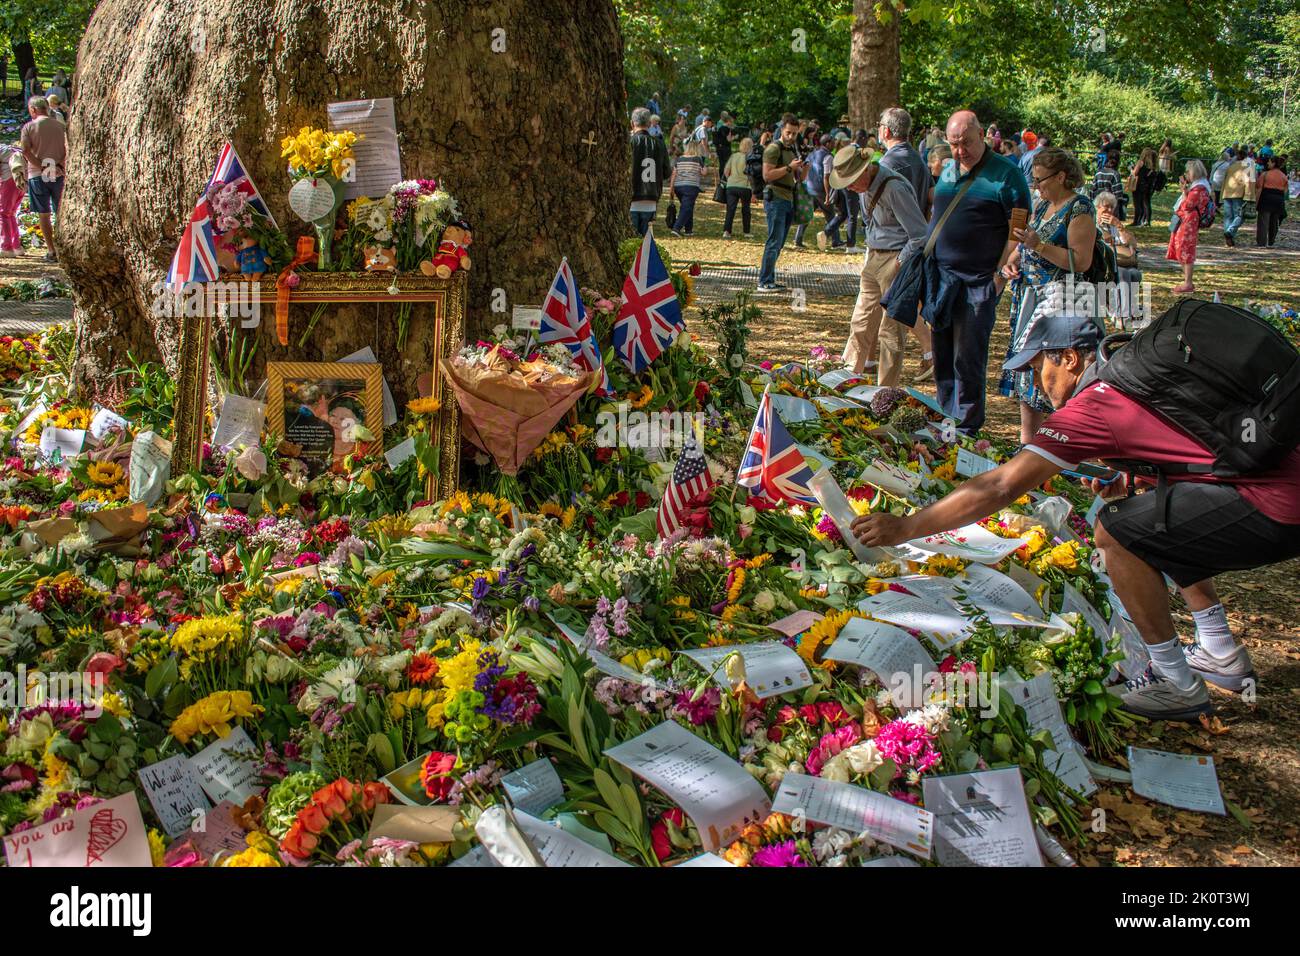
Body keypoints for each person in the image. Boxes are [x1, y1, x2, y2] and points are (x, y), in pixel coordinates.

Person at [853, 309, 1296, 719]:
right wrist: (1137, 475)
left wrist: (908, 526)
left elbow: (1000, 485)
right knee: (1149, 515)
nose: (1035, 384)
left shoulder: (1095, 406)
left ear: (1068, 359)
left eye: (1037, 369)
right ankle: (1220, 650)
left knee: (1116, 533)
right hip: (1279, 478)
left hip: (1275, 505)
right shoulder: (1136, 371)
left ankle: (1175, 682)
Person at [924, 110, 1031, 434]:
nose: (960, 151)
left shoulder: (1006, 174)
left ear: (981, 134)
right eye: (954, 144)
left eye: (966, 143)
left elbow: (1019, 227)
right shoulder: (947, 170)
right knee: (942, 351)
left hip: (979, 281)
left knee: (968, 356)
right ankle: (946, 416)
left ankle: (967, 425)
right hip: (942, 278)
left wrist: (1000, 274)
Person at [998, 147, 1096, 444]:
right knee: (1029, 373)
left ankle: (1061, 445)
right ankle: (1029, 445)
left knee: (1058, 374)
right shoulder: (1042, 206)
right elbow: (1022, 245)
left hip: (1061, 303)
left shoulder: (1079, 209)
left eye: (1041, 179)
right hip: (1029, 299)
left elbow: (1081, 261)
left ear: (1062, 177)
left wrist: (1039, 246)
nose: (1036, 185)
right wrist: (1011, 262)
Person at [829, 143, 927, 385]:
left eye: (851, 181)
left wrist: (898, 262)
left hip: (895, 261)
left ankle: (885, 392)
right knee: (860, 323)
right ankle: (848, 381)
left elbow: (920, 235)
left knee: (891, 332)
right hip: (873, 257)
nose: (850, 188)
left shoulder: (894, 188)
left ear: (865, 170)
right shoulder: (864, 188)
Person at [757, 114, 808, 293]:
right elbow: (767, 175)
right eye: (788, 133)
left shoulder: (791, 150)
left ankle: (769, 278)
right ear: (782, 130)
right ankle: (764, 280)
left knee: (779, 242)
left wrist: (805, 166)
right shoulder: (773, 149)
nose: (791, 137)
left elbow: (799, 178)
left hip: (788, 198)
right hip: (775, 198)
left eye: (794, 134)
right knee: (773, 241)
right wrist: (789, 168)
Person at [19, 96, 67, 263]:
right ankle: (64, 248)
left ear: (33, 110)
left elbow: (25, 150)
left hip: (38, 174)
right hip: (58, 172)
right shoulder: (61, 127)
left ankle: (51, 250)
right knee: (60, 212)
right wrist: (59, 165)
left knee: (44, 214)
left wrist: (40, 165)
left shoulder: (29, 127)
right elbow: (68, 148)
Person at [1094, 191, 1143, 326]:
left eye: (1112, 207)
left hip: (1118, 262)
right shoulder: (1093, 224)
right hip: (1101, 265)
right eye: (1106, 206)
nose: (1109, 210)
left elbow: (1132, 243)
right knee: (1122, 273)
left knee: (1134, 273)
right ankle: (1122, 315)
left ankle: (1124, 310)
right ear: (1097, 207)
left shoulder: (1114, 225)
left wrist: (1119, 226)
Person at [1166, 160, 1211, 294]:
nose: (1186, 174)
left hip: (1188, 222)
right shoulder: (1201, 186)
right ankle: (1186, 280)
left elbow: (1187, 205)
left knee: (1185, 249)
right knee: (1181, 247)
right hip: (1187, 221)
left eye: (1188, 172)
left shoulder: (1198, 189)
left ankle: (1188, 282)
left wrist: (1184, 192)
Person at [878, 107, 930, 217]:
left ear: (886, 131)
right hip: (920, 230)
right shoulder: (919, 159)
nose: (878, 128)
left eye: (879, 125)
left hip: (893, 232)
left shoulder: (885, 165)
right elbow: (931, 197)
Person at [628, 107, 669, 237]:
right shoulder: (659, 144)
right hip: (651, 197)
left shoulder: (630, 142)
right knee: (645, 245)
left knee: (630, 243)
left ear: (632, 123)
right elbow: (666, 172)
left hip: (631, 197)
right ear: (650, 123)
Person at [795, 134, 836, 249]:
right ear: (827, 143)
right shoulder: (828, 156)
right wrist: (828, 194)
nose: (834, 144)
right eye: (833, 142)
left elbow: (804, 168)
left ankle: (798, 239)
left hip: (809, 187)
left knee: (806, 215)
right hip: (821, 190)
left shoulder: (812, 154)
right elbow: (826, 177)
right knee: (831, 216)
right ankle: (836, 240)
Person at [667, 138, 709, 237]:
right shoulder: (698, 159)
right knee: (687, 207)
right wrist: (705, 167)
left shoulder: (680, 159)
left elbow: (674, 174)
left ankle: (688, 229)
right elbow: (704, 173)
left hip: (678, 186)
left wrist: (671, 188)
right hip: (691, 186)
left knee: (687, 206)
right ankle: (676, 228)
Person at [721, 137, 754, 239]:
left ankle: (727, 231)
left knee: (730, 209)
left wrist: (730, 179)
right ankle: (746, 231)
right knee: (746, 209)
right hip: (745, 185)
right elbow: (752, 174)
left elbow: (726, 172)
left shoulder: (734, 156)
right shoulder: (750, 158)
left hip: (732, 185)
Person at [1220, 147, 1252, 247]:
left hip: (1227, 193)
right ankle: (1230, 231)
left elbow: (1224, 180)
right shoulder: (1247, 166)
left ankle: (1228, 238)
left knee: (1228, 216)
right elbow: (1249, 182)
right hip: (1239, 194)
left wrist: (1222, 195)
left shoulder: (1231, 166)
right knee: (1239, 215)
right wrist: (1249, 196)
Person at [1255, 156, 1288, 248]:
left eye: (1269, 162)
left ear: (1274, 163)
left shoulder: (1265, 174)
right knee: (1274, 222)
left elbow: (1259, 189)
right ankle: (1271, 242)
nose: (1268, 163)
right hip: (1279, 200)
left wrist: (1256, 203)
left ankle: (1261, 243)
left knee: (1263, 222)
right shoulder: (1284, 176)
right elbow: (1285, 192)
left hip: (1266, 199)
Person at [0, 145, 25, 258]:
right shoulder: (11, 148)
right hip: (22, 179)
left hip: (9, 179)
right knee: (10, 213)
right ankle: (16, 246)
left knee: (3, 213)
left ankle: (6, 247)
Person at [1130, 147, 1157, 227]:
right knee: (1145, 203)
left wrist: (1131, 169)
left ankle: (1136, 221)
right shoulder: (1152, 164)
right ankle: (1145, 220)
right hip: (1147, 185)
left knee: (1137, 203)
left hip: (1138, 184)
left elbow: (1134, 173)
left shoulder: (1140, 162)